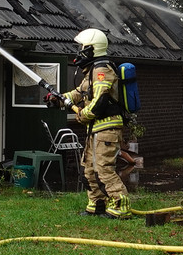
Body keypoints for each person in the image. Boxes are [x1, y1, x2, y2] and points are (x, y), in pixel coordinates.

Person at [47, 28, 131, 218]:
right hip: (96, 130)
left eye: (82, 47)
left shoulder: (102, 70)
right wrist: (58, 99)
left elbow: (100, 101)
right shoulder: (91, 71)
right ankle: (97, 204)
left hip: (107, 129)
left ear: (92, 48)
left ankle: (121, 205)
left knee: (103, 168)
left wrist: (82, 115)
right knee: (88, 169)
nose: (79, 51)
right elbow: (78, 93)